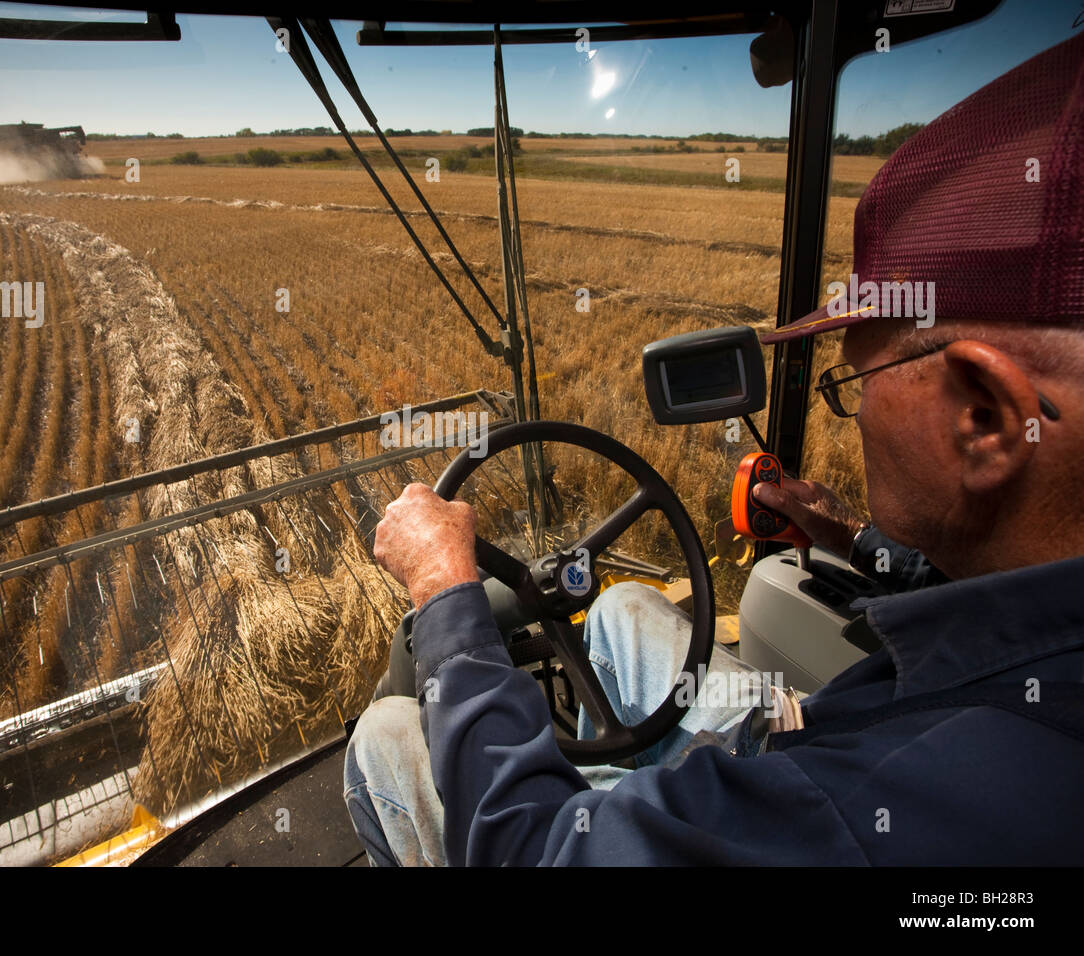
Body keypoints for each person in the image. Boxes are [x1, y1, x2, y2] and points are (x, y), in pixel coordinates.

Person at [343, 31, 1084, 866]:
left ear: (985, 419)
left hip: (793, 788)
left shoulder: (878, 807)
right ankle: (628, 785)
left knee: (387, 737)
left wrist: (445, 586)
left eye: (859, 382)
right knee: (620, 612)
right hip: (813, 740)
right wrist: (854, 542)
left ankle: (616, 805)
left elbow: (530, 852)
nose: (853, 414)